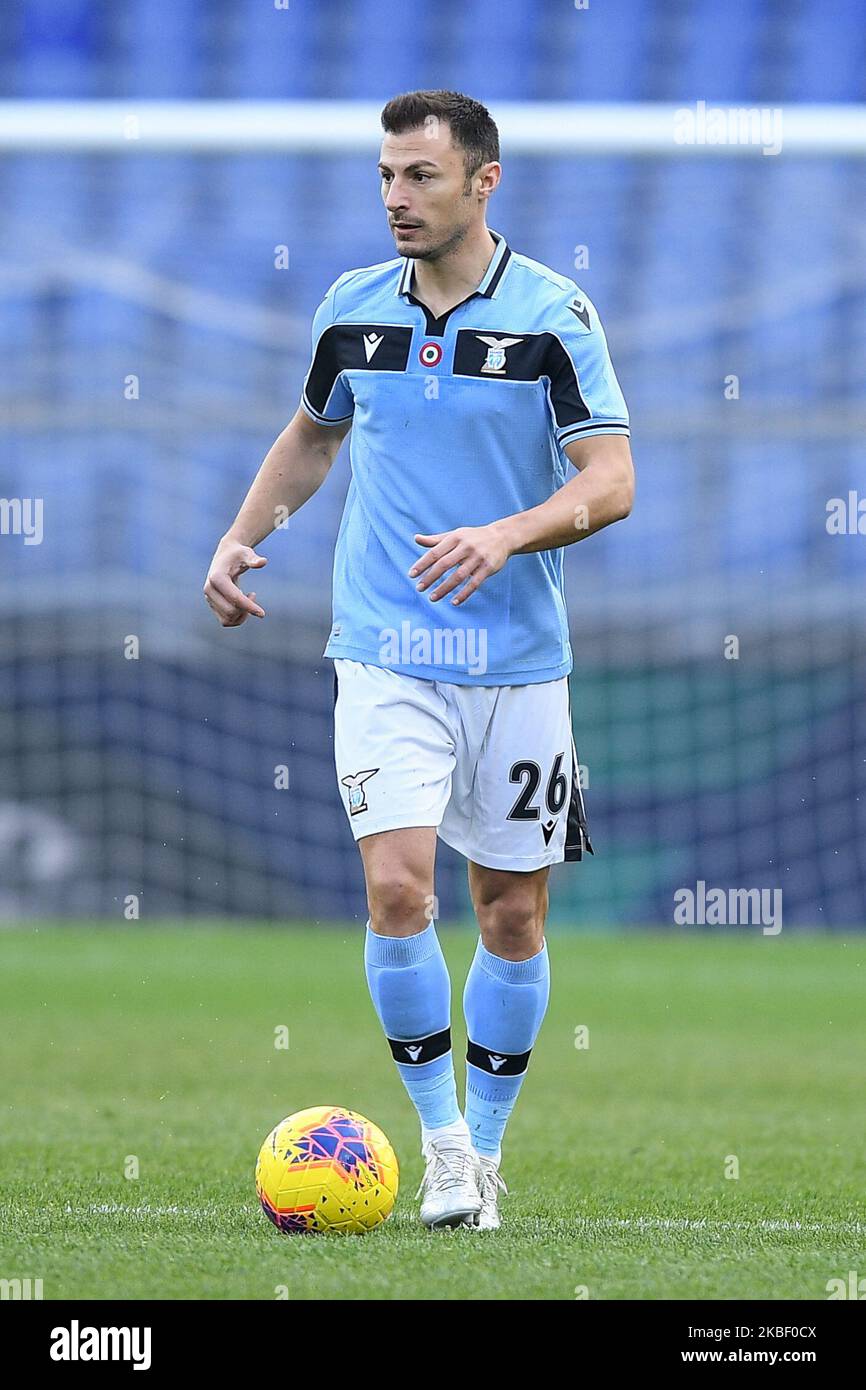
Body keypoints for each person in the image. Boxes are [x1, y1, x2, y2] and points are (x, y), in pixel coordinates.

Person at [204, 89, 633, 1231]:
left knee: (509, 918)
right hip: (384, 650)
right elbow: (313, 433)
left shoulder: (553, 314)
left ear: (483, 182)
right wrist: (248, 532)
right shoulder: (350, 309)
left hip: (517, 662)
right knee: (397, 888)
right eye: (386, 176)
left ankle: (485, 1151)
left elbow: (610, 482)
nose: (396, 197)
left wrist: (504, 531)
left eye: (420, 177)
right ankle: (440, 1145)